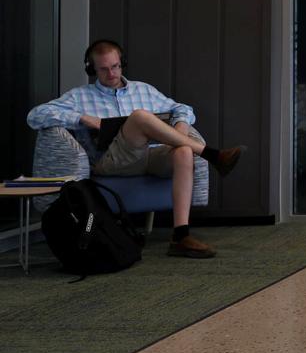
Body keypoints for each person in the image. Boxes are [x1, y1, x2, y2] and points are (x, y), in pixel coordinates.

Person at [27, 40, 246, 259]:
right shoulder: (79, 97)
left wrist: (180, 128)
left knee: (183, 151)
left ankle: (180, 236)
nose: (111, 73)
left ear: (122, 64)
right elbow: (35, 115)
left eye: (115, 66)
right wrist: (82, 118)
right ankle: (212, 154)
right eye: (103, 69)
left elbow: (182, 108)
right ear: (91, 68)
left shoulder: (143, 90)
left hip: (148, 156)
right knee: (140, 117)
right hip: (111, 162)